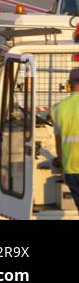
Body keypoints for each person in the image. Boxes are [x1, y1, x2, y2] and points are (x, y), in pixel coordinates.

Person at [52, 68, 79, 212]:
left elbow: (58, 140)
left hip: (71, 167)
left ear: (69, 84)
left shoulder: (57, 108)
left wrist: (61, 161)